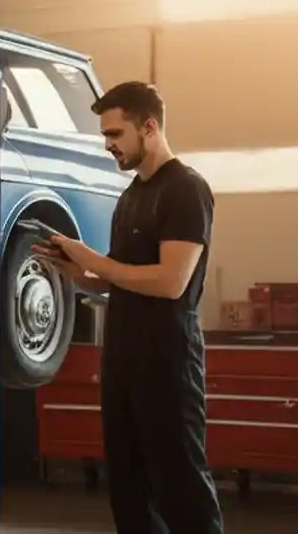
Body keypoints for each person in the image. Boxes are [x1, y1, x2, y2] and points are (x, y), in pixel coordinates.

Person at [33, 81, 225, 534]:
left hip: (168, 361)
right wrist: (76, 273)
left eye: (116, 134)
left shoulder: (186, 189)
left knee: (180, 488)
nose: (108, 146)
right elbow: (122, 282)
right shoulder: (130, 197)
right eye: (105, 136)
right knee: (129, 491)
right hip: (121, 359)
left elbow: (170, 282)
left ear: (150, 127)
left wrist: (91, 257)